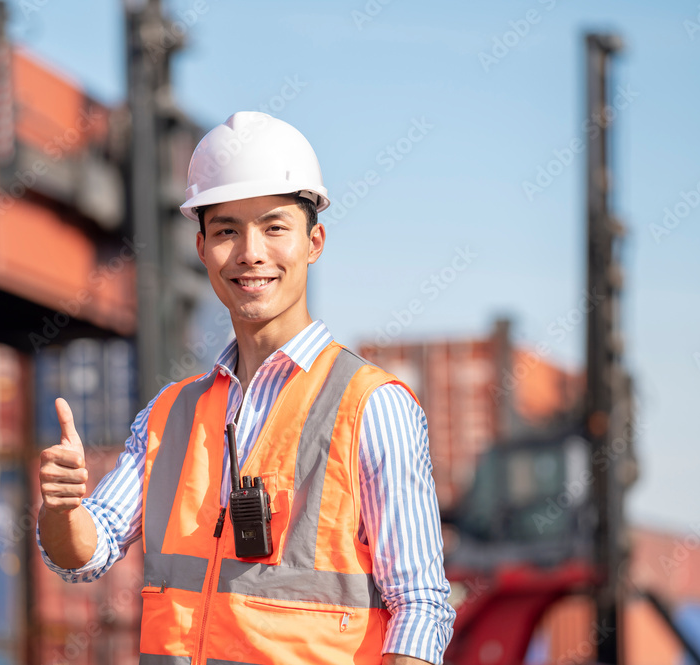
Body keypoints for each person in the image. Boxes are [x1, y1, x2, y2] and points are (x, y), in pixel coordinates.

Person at [36, 111, 455, 665]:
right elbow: (86, 555)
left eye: (274, 227)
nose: (250, 252)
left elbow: (421, 605)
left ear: (315, 241)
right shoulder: (168, 416)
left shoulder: (371, 407)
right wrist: (61, 509)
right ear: (201, 247)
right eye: (227, 230)